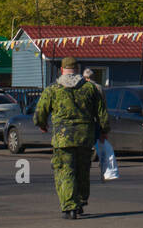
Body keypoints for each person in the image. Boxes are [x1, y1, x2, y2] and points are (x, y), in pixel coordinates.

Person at [34, 57, 110, 219]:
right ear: (77, 70)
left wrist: (41, 124)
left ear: (62, 70)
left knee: (65, 170)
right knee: (83, 170)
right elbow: (102, 113)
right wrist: (104, 130)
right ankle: (81, 200)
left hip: (63, 138)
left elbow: (40, 112)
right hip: (85, 137)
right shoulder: (90, 88)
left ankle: (70, 206)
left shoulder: (53, 89)